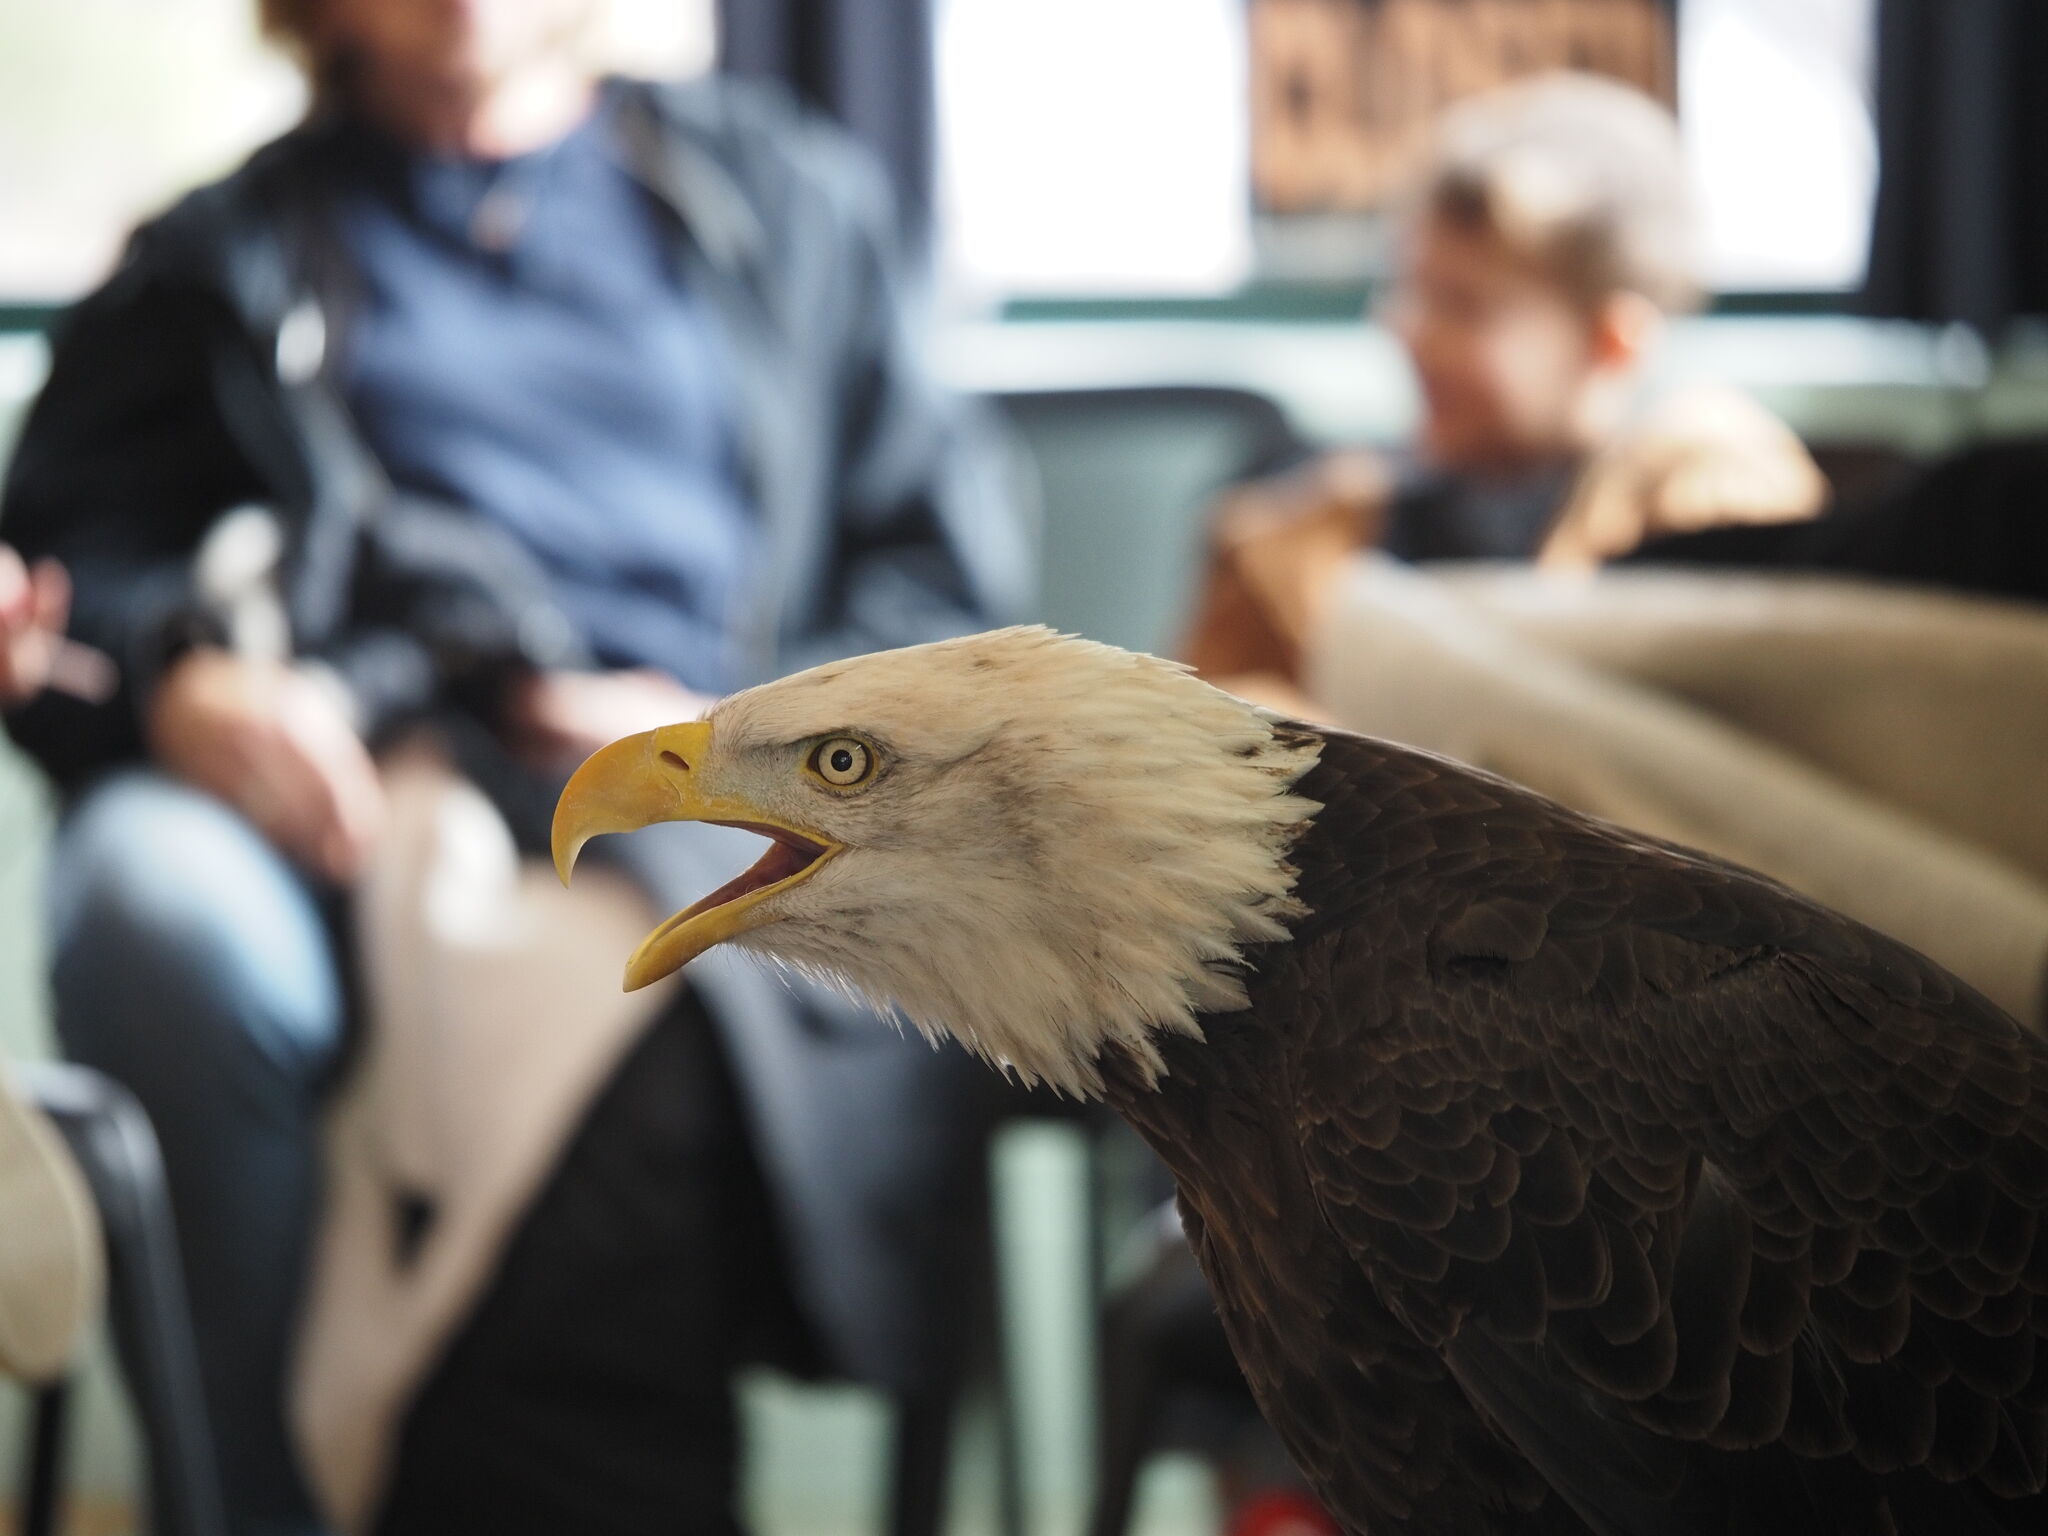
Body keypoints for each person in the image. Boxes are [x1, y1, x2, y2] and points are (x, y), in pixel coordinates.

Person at [0, 2, 1030, 1533]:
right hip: (353, 790)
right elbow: (70, 571)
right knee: (155, 908)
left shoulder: (789, 204)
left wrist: (718, 727)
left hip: (705, 780)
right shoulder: (223, 253)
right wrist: (178, 684)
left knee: (639, 988)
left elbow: (945, 592)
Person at [1184, 73, 1824, 708]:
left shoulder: (1704, 498)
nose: (1412, 332)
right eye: (1413, 290)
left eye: (1464, 307)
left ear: (1609, 342)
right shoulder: (1309, 542)